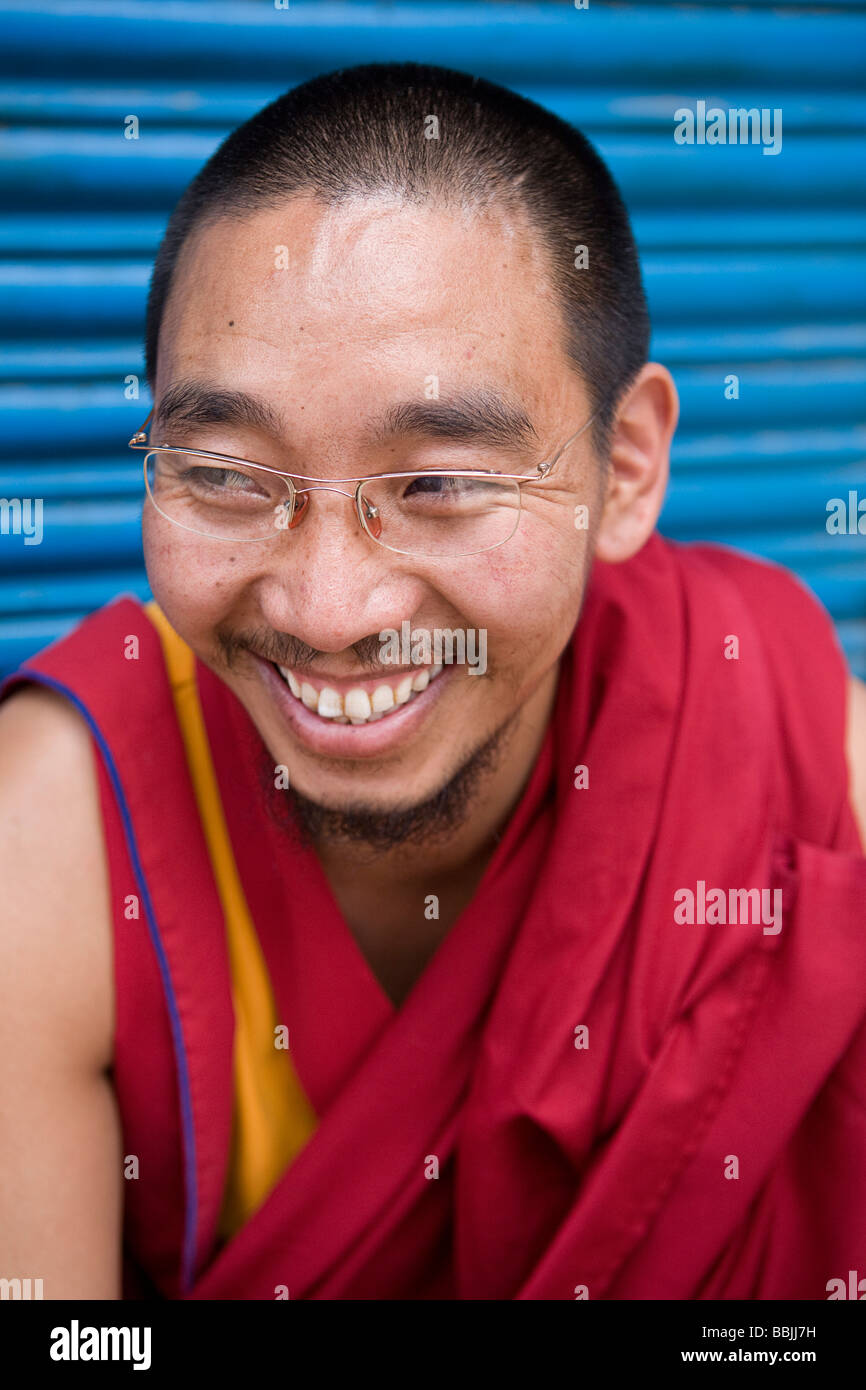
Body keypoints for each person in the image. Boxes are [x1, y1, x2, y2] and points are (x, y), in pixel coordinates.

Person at [1, 63, 864, 1302]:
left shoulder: (796, 761)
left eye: (439, 484)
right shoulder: (50, 839)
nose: (326, 611)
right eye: (228, 476)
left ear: (623, 469)